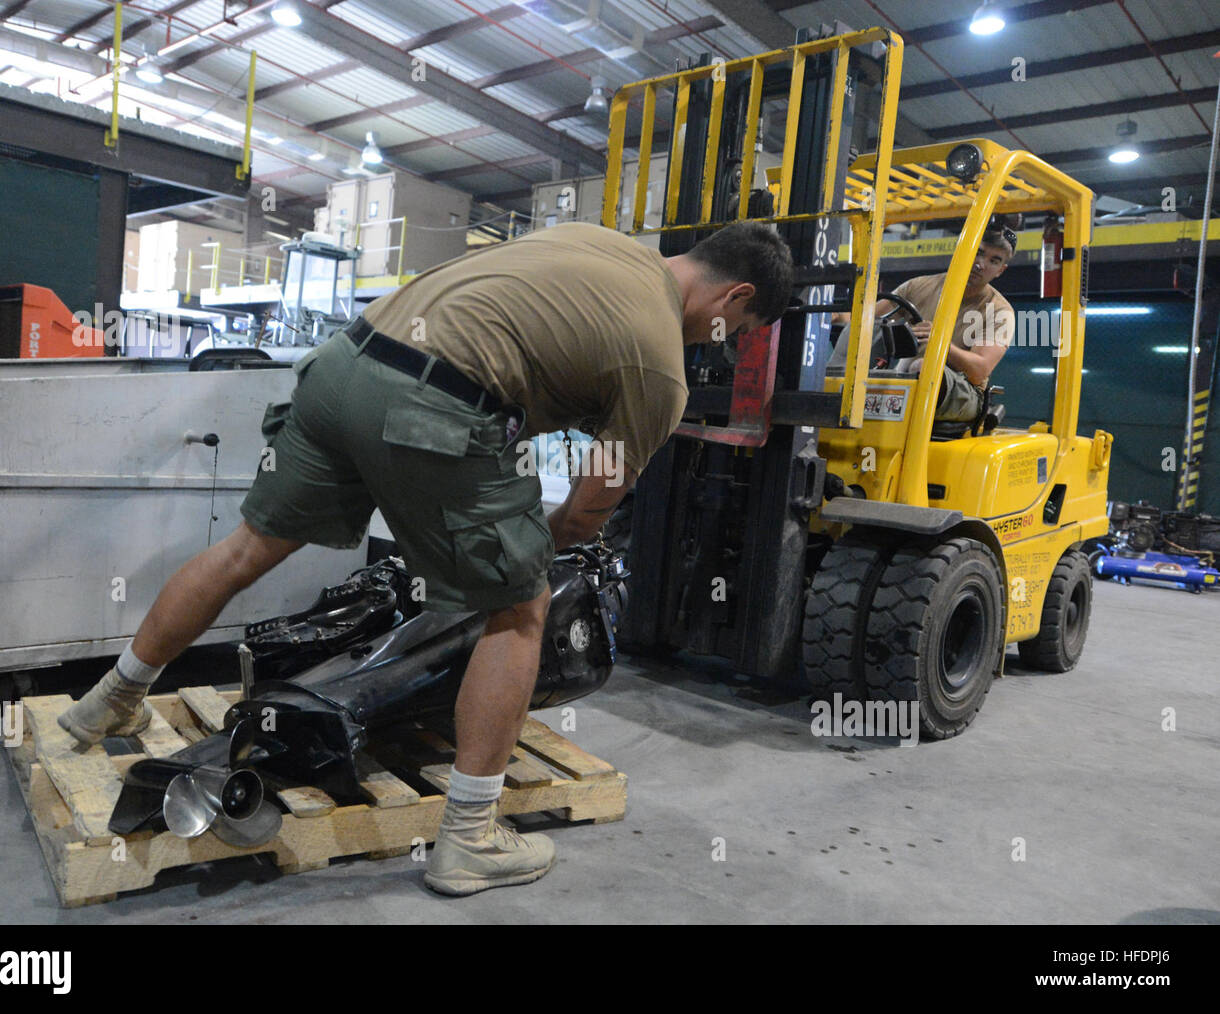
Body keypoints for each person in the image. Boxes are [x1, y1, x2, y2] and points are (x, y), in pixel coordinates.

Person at [58, 220, 794, 895]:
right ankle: (469, 839)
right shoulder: (662, 361)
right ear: (737, 293)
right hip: (429, 409)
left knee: (248, 548)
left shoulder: (597, 243)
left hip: (343, 368)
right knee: (521, 607)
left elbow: (514, 330)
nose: (721, 342)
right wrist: (557, 533)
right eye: (737, 328)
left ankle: (110, 699)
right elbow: (602, 483)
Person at [829, 218, 1017, 422]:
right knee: (865, 330)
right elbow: (870, 318)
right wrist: (838, 317)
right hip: (907, 379)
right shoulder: (918, 286)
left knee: (922, 366)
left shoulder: (999, 311)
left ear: (1000, 270)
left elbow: (979, 371)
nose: (981, 264)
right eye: (979, 252)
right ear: (963, 249)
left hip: (963, 393)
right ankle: (830, 393)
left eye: (993, 260)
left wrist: (940, 343)